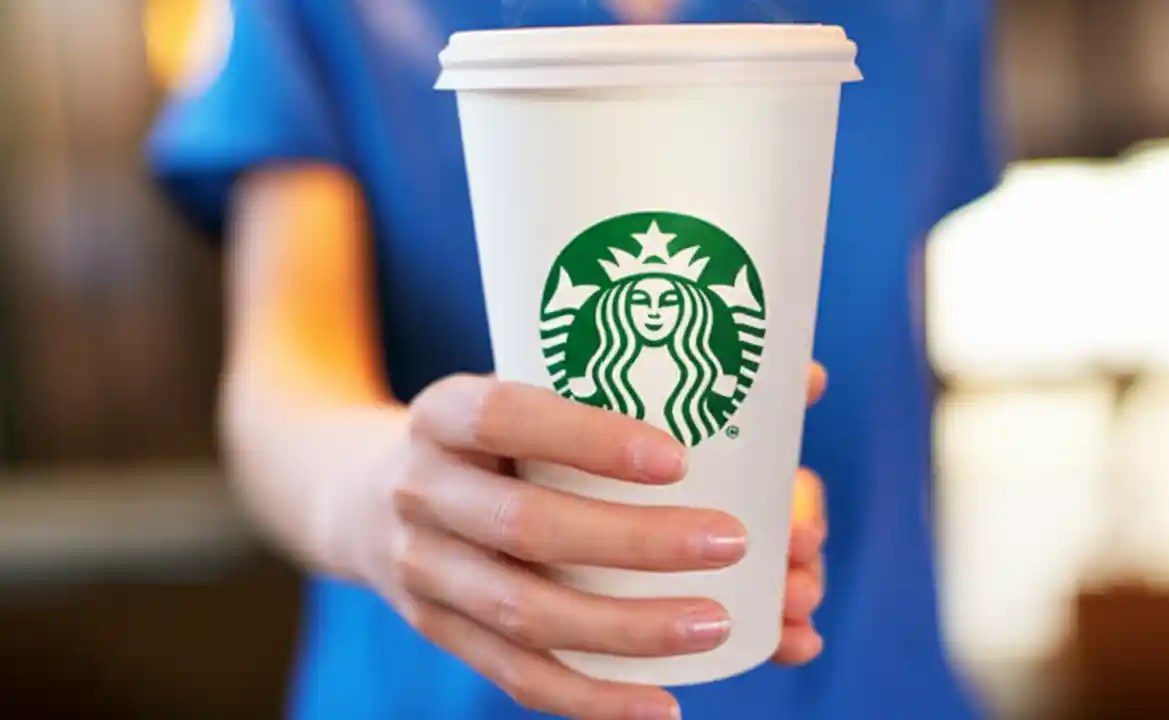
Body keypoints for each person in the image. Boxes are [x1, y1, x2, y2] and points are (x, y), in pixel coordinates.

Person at [149, 1, 999, 718]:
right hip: (447, 686)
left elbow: (893, 351)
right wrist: (369, 496)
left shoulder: (923, 17)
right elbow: (282, 389)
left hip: (858, 674)